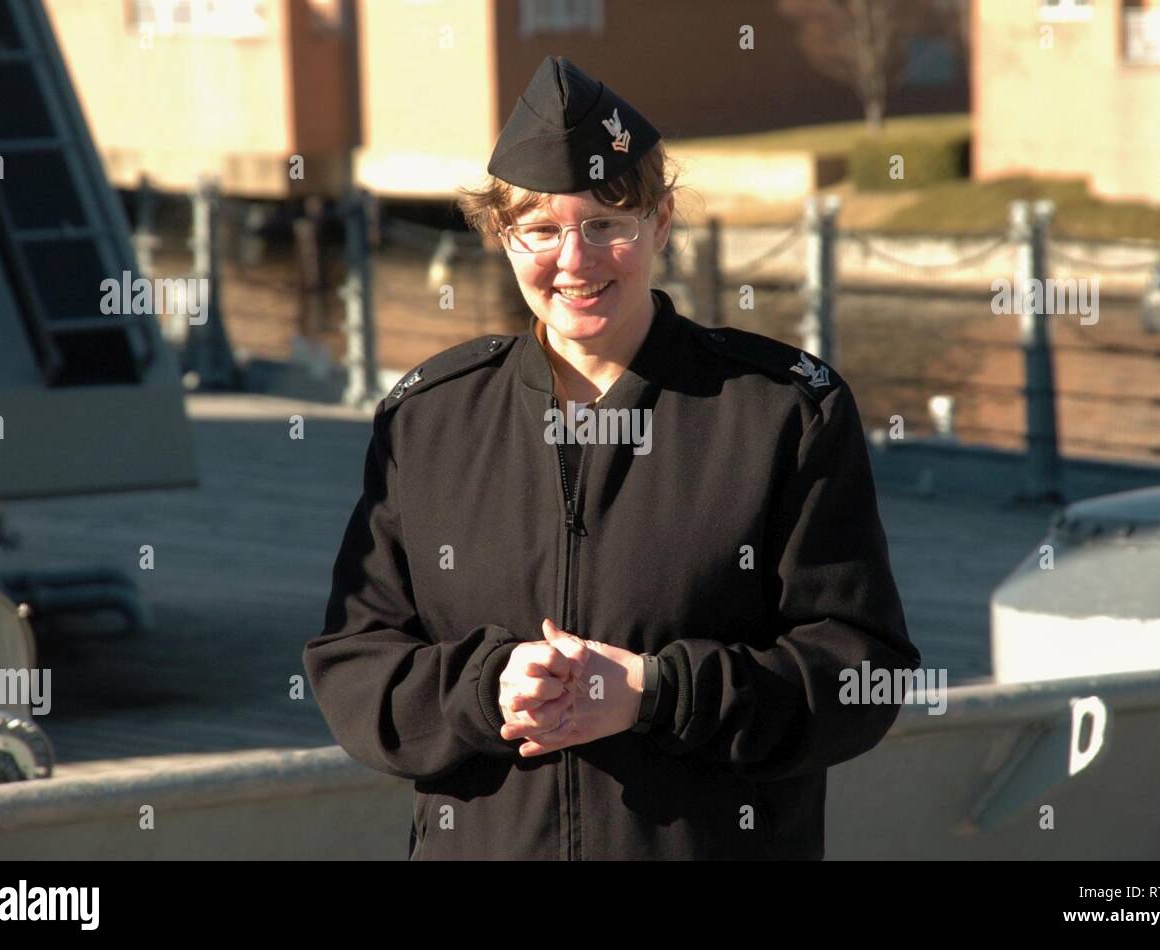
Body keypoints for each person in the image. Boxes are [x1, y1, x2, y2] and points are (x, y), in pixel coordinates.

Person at [302, 55, 921, 860]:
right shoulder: (428, 420)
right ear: (501, 234)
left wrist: (655, 693)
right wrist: (486, 689)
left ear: (660, 221)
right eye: (543, 229)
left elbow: (861, 675)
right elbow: (354, 664)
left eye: (607, 223)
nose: (575, 260)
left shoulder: (783, 412)